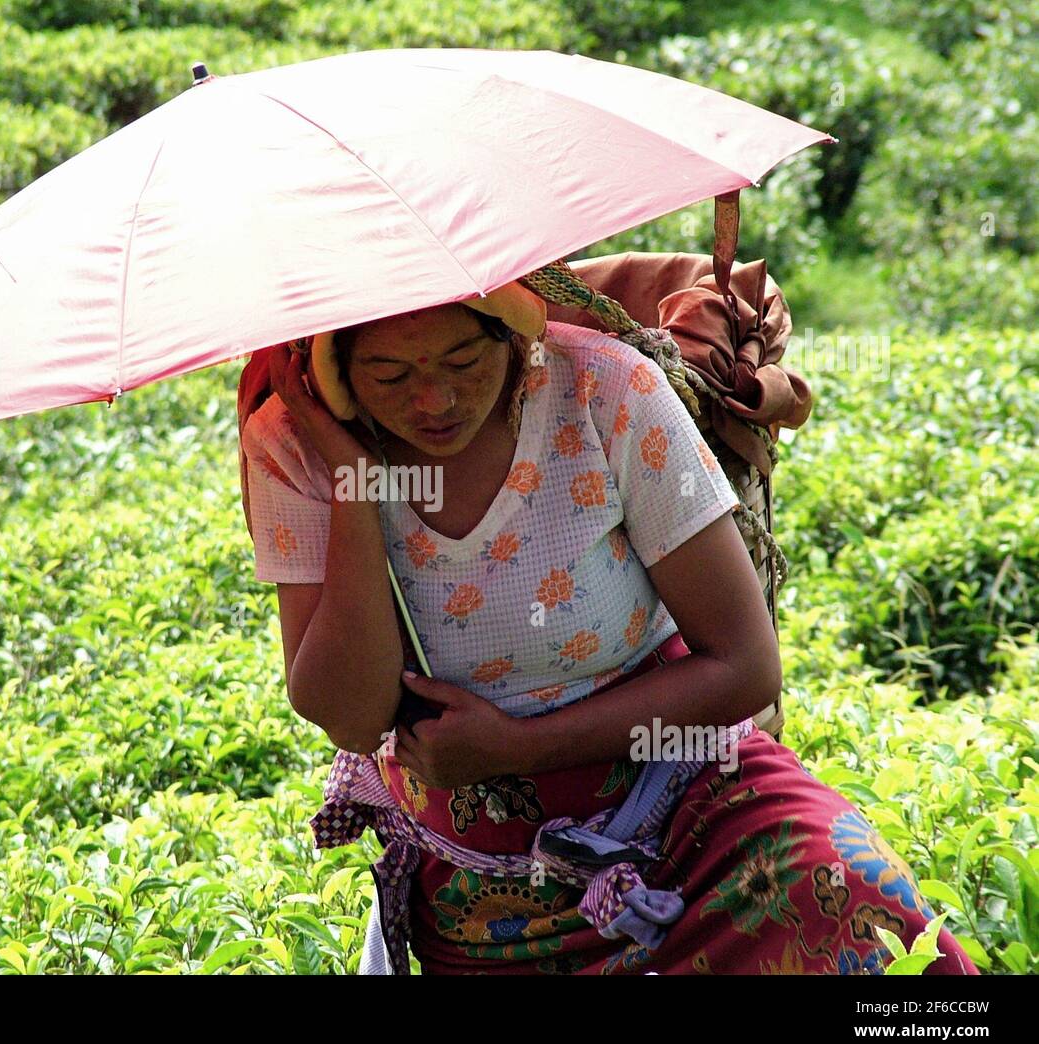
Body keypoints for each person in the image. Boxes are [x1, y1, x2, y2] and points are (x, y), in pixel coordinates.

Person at [238, 263, 981, 975]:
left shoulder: (603, 389)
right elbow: (352, 719)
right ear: (336, 372)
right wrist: (355, 490)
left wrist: (519, 746)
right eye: (391, 376)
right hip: (486, 884)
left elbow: (746, 665)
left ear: (509, 332)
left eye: (463, 361)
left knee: (858, 905)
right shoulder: (292, 444)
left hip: (689, 805)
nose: (435, 401)